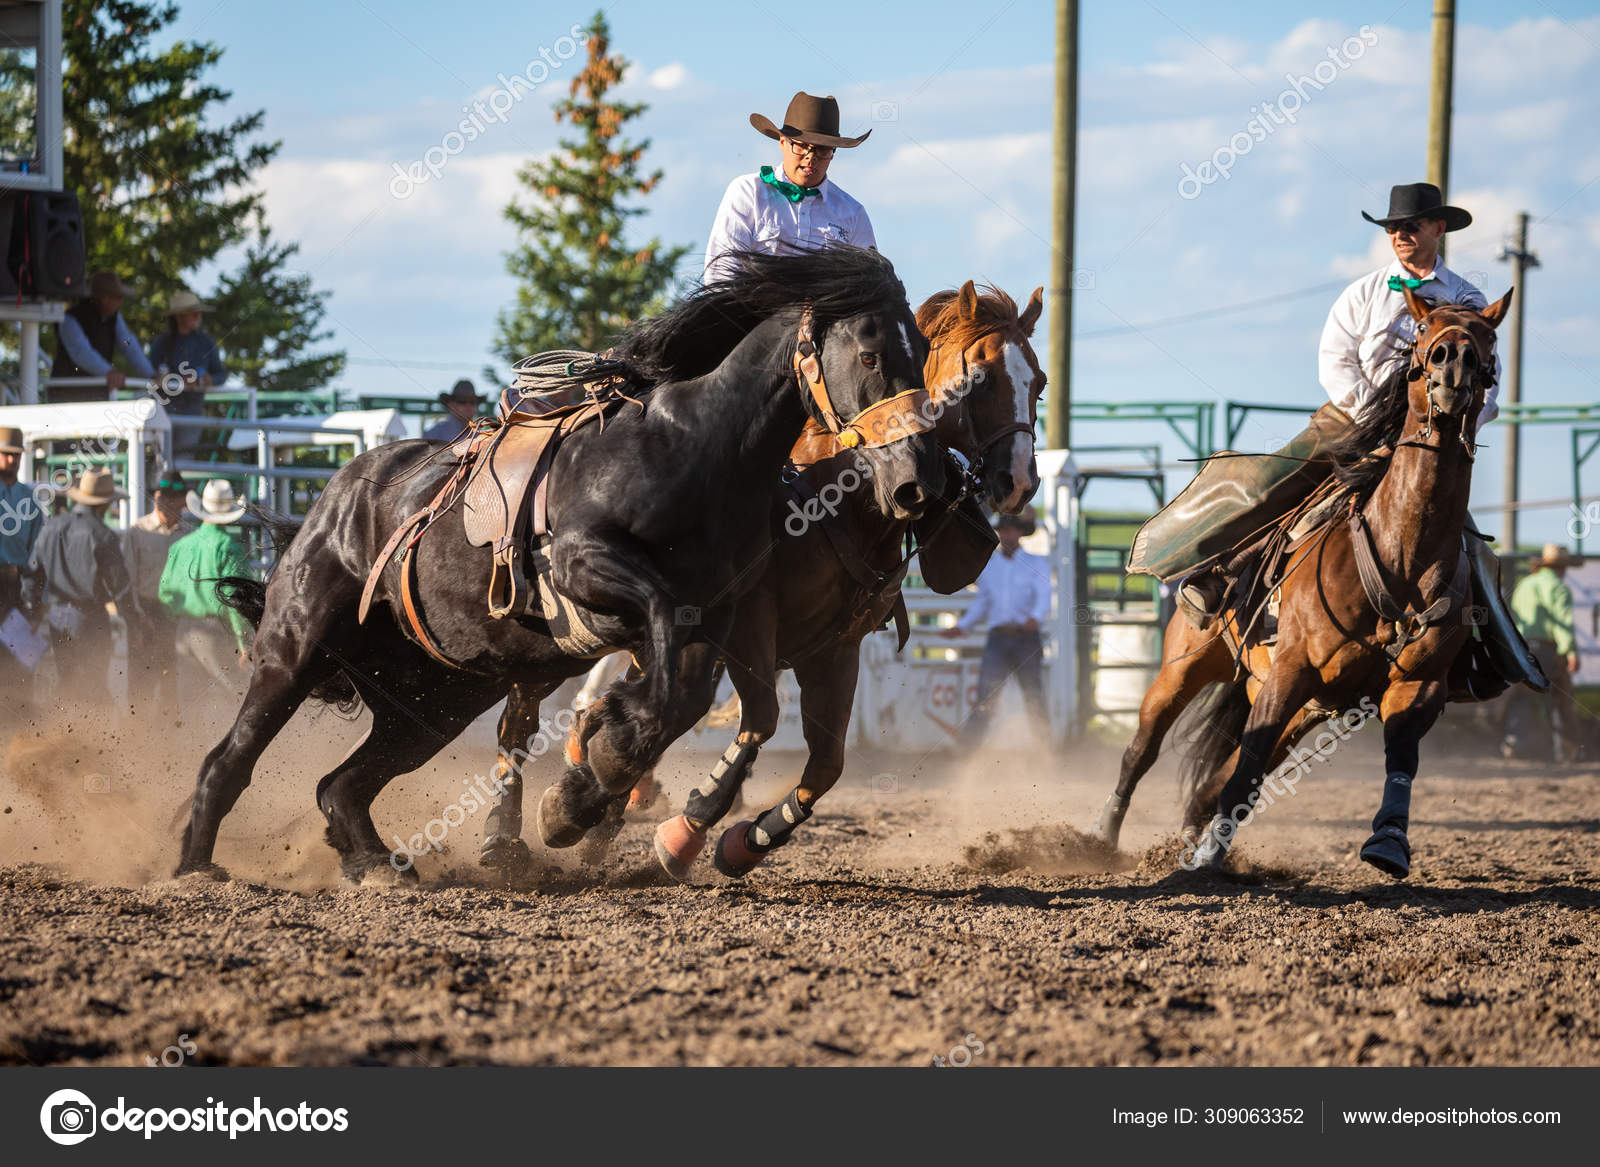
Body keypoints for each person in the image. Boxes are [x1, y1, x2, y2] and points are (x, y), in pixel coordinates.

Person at [1134, 182, 1537, 689]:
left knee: (1466, 542)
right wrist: (1374, 418)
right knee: (1271, 480)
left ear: (1438, 229)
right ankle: (1211, 573)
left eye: (1411, 225)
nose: (1400, 234)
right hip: (1351, 418)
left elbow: (1489, 382)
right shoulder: (1364, 293)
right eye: (1393, 227)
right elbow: (1335, 360)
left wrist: (1450, 429)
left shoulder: (1469, 301)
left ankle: (1487, 654)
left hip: (1431, 437)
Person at [703, 91, 876, 284]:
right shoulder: (748, 192)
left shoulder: (853, 213)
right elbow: (720, 274)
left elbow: (870, 284)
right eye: (802, 146)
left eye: (822, 150)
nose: (811, 157)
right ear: (783, 142)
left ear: (833, 153)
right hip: (751, 311)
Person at [942, 511, 1051, 747]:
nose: (1007, 534)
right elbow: (982, 603)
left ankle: (1046, 749)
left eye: (1011, 530)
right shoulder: (991, 567)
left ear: (1020, 533)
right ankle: (967, 750)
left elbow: (1044, 598)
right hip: (1000, 638)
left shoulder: (1037, 563)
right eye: (1003, 530)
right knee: (986, 696)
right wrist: (962, 626)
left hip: (1025, 637)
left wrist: (1035, 617)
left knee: (1033, 695)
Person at [27, 467, 132, 708]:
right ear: (104, 504)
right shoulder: (103, 535)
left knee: (68, 679)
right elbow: (121, 587)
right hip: (90, 617)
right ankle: (90, 740)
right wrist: (134, 621)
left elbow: (32, 572)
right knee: (93, 684)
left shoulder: (51, 527)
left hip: (57, 615)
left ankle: (63, 738)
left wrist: (33, 610)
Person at [159, 479, 254, 694]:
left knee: (189, 698)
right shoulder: (229, 548)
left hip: (185, 629)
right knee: (228, 696)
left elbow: (165, 593)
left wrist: (180, 619)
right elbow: (236, 599)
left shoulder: (180, 546)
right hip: (218, 631)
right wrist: (245, 642)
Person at [1502, 544, 1583, 763]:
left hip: (1520, 647)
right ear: (1562, 567)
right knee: (1559, 696)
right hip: (1547, 650)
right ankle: (1561, 749)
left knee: (1522, 694)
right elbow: (1563, 623)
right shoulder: (1559, 588)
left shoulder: (1525, 584)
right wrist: (1571, 652)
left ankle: (1514, 740)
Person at [122, 470, 189, 713]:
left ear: (182, 501)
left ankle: (168, 736)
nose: (165, 500)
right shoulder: (138, 531)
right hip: (145, 611)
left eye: (172, 496)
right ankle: (136, 733)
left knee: (172, 680)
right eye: (161, 495)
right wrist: (136, 615)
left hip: (177, 616)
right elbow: (127, 580)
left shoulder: (189, 534)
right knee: (140, 680)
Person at [50, 271, 155, 404]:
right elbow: (81, 353)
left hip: (95, 395)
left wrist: (151, 374)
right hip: (66, 395)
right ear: (105, 298)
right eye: (118, 297)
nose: (121, 303)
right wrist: (109, 372)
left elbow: (128, 344)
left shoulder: (114, 318)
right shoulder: (70, 319)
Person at [0, 426, 46, 719]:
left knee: (19, 660)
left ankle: (18, 726)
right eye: (6, 454)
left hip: (16, 587)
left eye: (15, 455)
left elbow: (36, 554)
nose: (11, 460)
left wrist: (35, 601)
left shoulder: (29, 500)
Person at [147, 292, 228, 452]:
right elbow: (149, 371)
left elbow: (221, 374)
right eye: (193, 313)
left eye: (198, 313)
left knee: (184, 457)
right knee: (160, 457)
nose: (198, 316)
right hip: (165, 406)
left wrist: (206, 380)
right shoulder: (162, 342)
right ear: (179, 317)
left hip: (192, 408)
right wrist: (164, 379)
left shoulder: (206, 342)